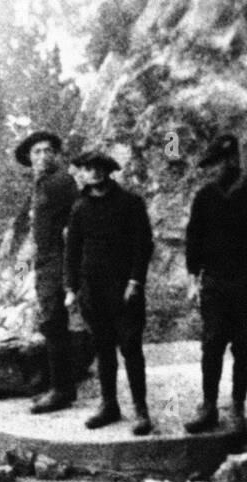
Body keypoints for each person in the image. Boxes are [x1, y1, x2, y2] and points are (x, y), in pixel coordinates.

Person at [183, 133, 247, 435]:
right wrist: (193, 279)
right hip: (215, 282)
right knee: (212, 344)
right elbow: (194, 239)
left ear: (233, 160)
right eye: (212, 164)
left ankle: (238, 407)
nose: (215, 169)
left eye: (220, 162)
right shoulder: (205, 196)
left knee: (244, 346)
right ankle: (208, 407)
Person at [64, 150, 155, 436]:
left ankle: (141, 410)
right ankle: (109, 406)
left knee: (130, 347)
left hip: (124, 289)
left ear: (108, 171)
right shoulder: (80, 207)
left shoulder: (130, 203)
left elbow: (144, 246)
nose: (93, 173)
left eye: (98, 168)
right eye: (87, 169)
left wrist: (135, 282)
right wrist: (71, 288)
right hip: (93, 290)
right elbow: (72, 250)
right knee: (103, 349)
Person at [16, 129, 81, 414]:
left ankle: (62, 391)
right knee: (51, 322)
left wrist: (71, 274)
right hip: (45, 262)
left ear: (55, 155)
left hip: (60, 260)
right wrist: (22, 273)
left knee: (54, 323)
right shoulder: (41, 184)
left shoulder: (60, 182)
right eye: (36, 152)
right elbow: (35, 232)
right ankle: (57, 386)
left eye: (47, 151)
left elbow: (76, 224)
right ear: (30, 159)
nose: (42, 156)